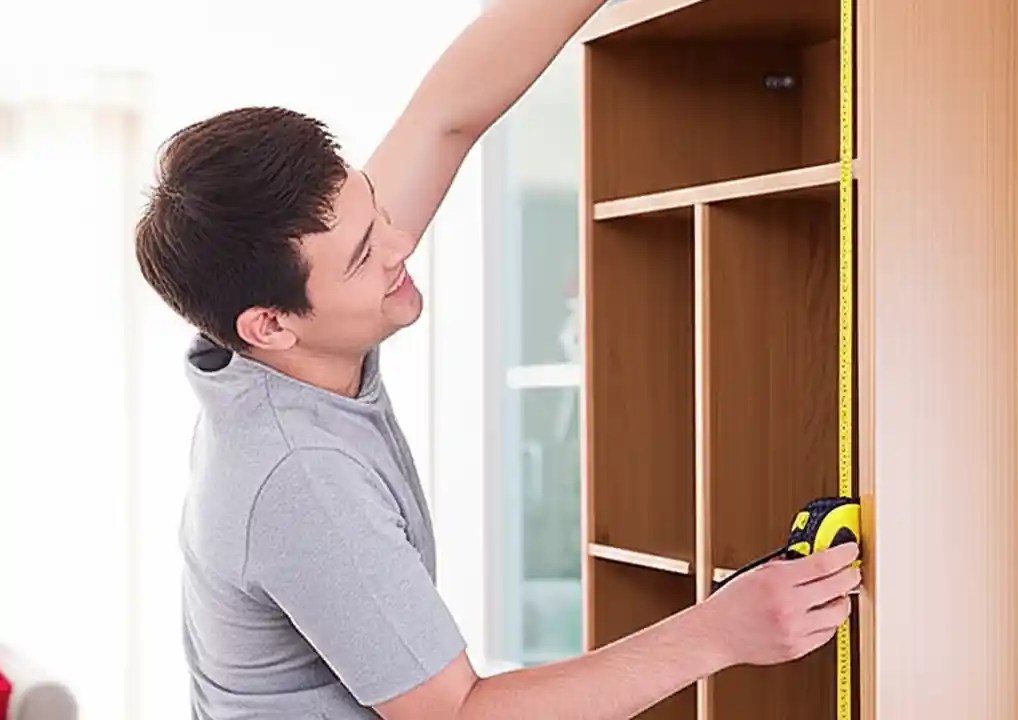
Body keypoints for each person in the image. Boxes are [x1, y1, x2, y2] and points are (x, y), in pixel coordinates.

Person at [133, 0, 863, 717]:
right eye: (364, 256)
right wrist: (717, 633)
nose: (399, 243)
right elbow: (458, 714)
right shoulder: (300, 477)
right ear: (269, 324)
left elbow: (445, 118)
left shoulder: (279, 327)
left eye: (376, 210)